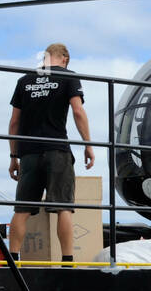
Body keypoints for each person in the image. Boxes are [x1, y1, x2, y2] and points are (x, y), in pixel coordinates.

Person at [7, 43, 95, 262]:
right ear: (64, 58)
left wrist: (13, 157)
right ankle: (67, 262)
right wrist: (88, 145)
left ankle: (13, 261)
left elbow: (14, 122)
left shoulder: (24, 80)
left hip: (28, 152)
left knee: (22, 210)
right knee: (64, 207)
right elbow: (78, 111)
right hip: (57, 149)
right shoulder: (68, 77)